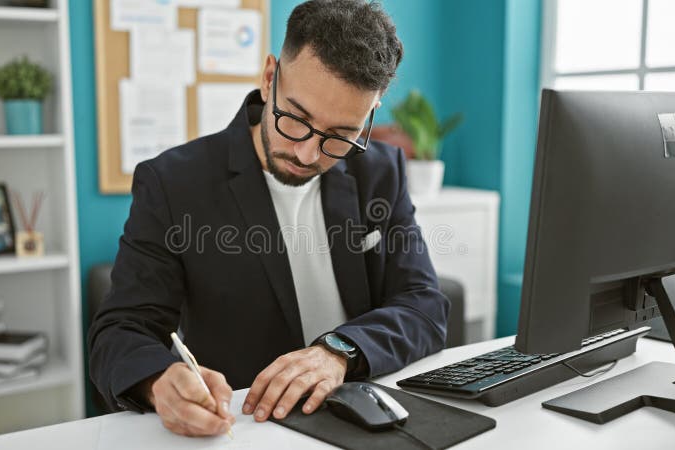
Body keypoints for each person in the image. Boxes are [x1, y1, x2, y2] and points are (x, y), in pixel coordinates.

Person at [88, 0, 450, 438]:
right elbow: (119, 331)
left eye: (342, 135)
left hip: (362, 421)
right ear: (268, 78)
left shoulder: (380, 170)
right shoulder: (174, 183)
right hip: (245, 427)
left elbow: (424, 304)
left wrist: (338, 352)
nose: (307, 153)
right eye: (296, 119)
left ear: (371, 114)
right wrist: (157, 381)